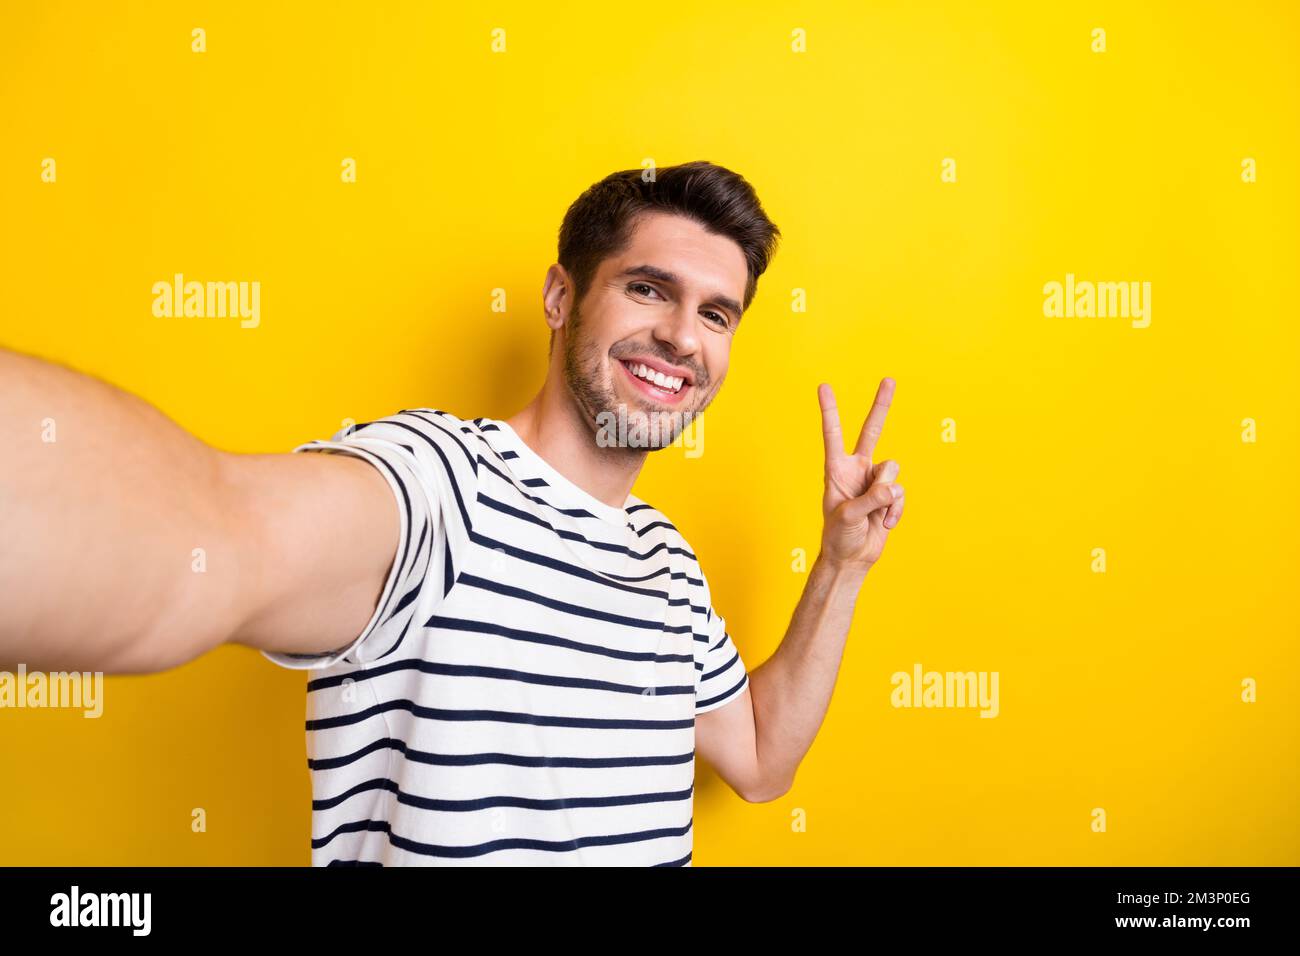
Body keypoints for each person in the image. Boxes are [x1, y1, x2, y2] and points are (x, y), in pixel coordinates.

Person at [0, 160, 906, 865]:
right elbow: (213, 532)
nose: (682, 335)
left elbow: (759, 761)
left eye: (718, 313)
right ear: (561, 296)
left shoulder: (667, 564)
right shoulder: (442, 483)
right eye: (648, 288)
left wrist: (841, 563)